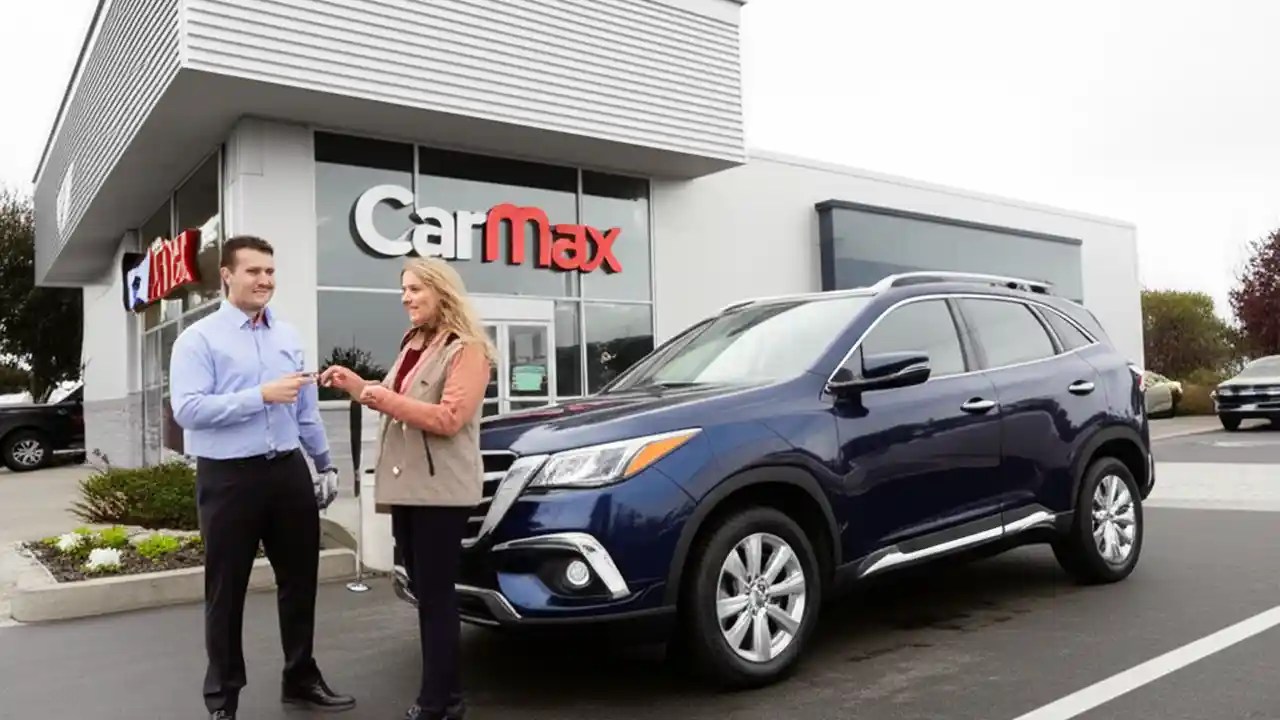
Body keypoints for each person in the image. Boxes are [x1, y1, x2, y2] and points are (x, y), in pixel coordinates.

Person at [169, 235, 355, 720]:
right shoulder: (198, 339)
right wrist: (259, 395)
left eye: (270, 272)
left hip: (287, 471)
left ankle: (301, 678)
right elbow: (187, 410)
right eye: (254, 271)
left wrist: (325, 462)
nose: (265, 280)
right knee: (225, 590)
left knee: (301, 581)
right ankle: (223, 698)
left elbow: (306, 409)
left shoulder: (288, 336)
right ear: (227, 275)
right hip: (228, 478)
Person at [320, 256, 493, 720]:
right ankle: (442, 693)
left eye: (415, 289)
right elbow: (398, 398)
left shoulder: (467, 349)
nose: (406, 298)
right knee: (423, 590)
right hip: (408, 487)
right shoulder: (414, 342)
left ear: (441, 291)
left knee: (436, 596)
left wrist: (375, 395)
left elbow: (448, 418)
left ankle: (441, 701)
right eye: (404, 290)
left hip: (441, 491)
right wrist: (358, 387)